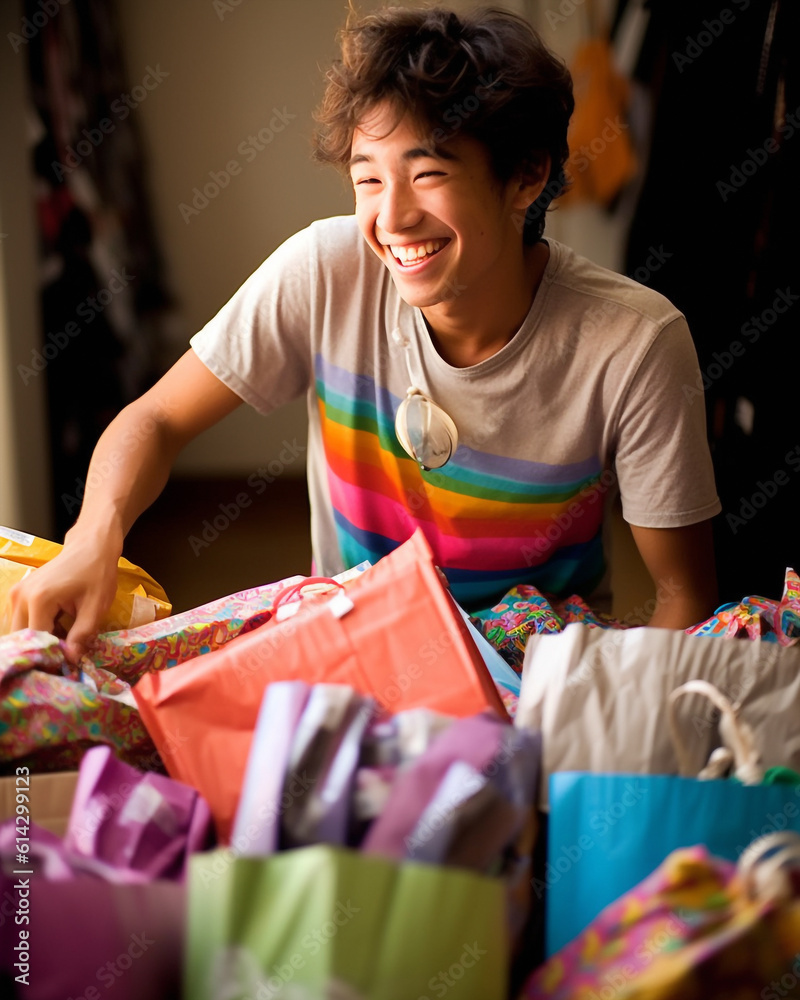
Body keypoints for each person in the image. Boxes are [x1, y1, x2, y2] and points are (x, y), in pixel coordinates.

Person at [10, 4, 720, 660]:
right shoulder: (325, 270)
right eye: (368, 180)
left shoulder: (635, 344)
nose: (393, 217)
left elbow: (683, 598)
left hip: (539, 677)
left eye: (428, 172)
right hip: (353, 659)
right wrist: (91, 538)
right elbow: (157, 418)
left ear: (527, 175)